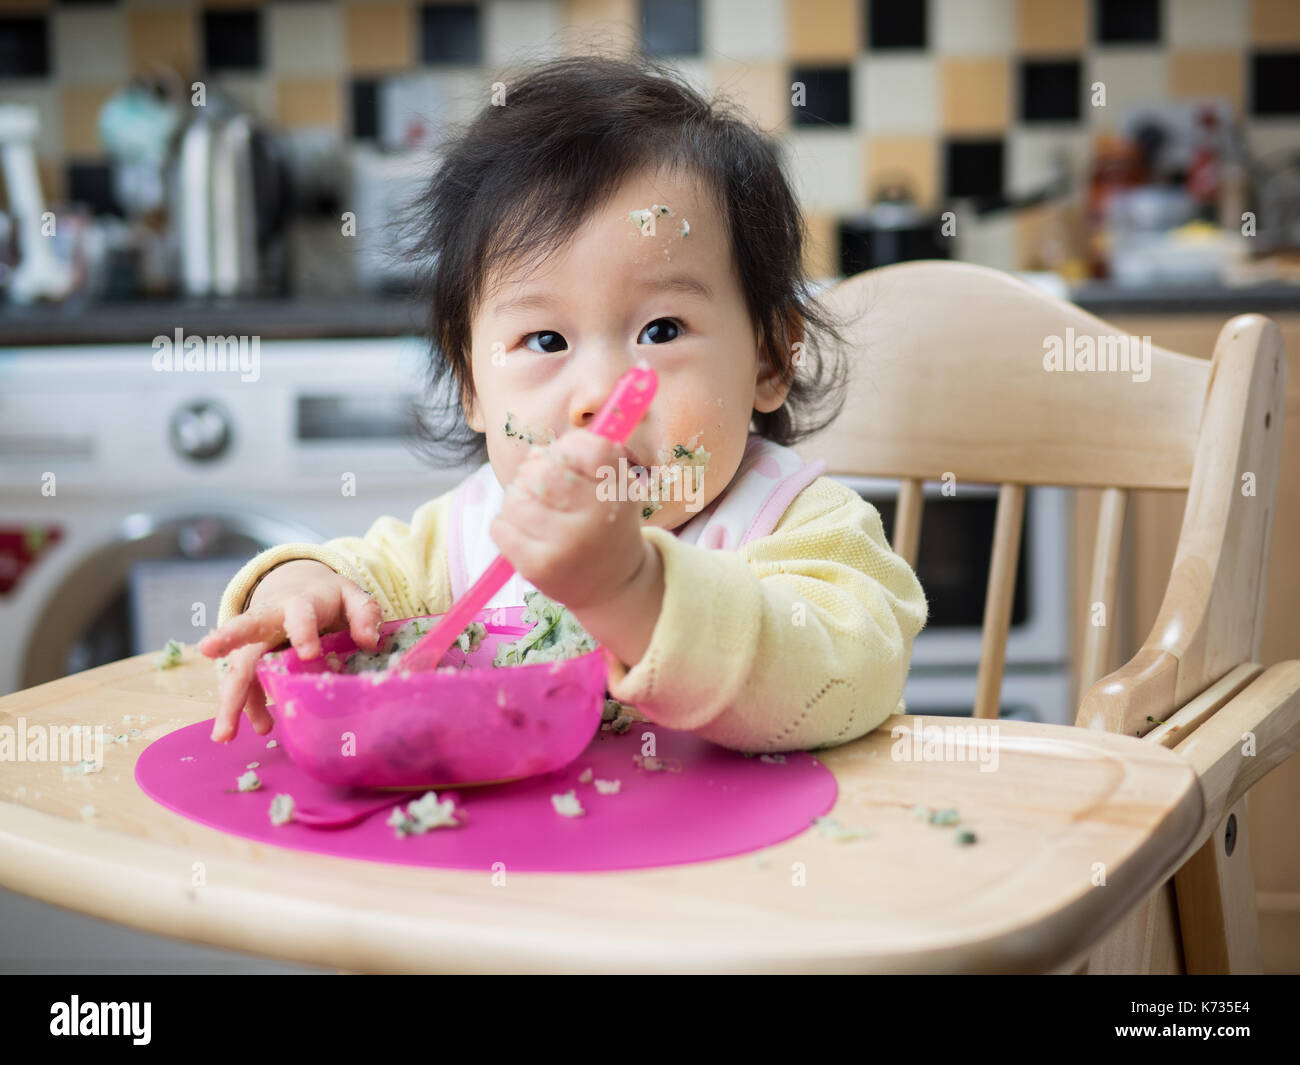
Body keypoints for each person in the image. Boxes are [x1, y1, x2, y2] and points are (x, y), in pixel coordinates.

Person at [199, 54, 927, 753]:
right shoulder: (470, 535)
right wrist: (297, 592)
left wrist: (631, 592)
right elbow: (351, 580)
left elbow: (840, 677)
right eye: (545, 339)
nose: (600, 394)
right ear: (471, 386)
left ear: (769, 358)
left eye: (662, 330)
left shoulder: (802, 527)